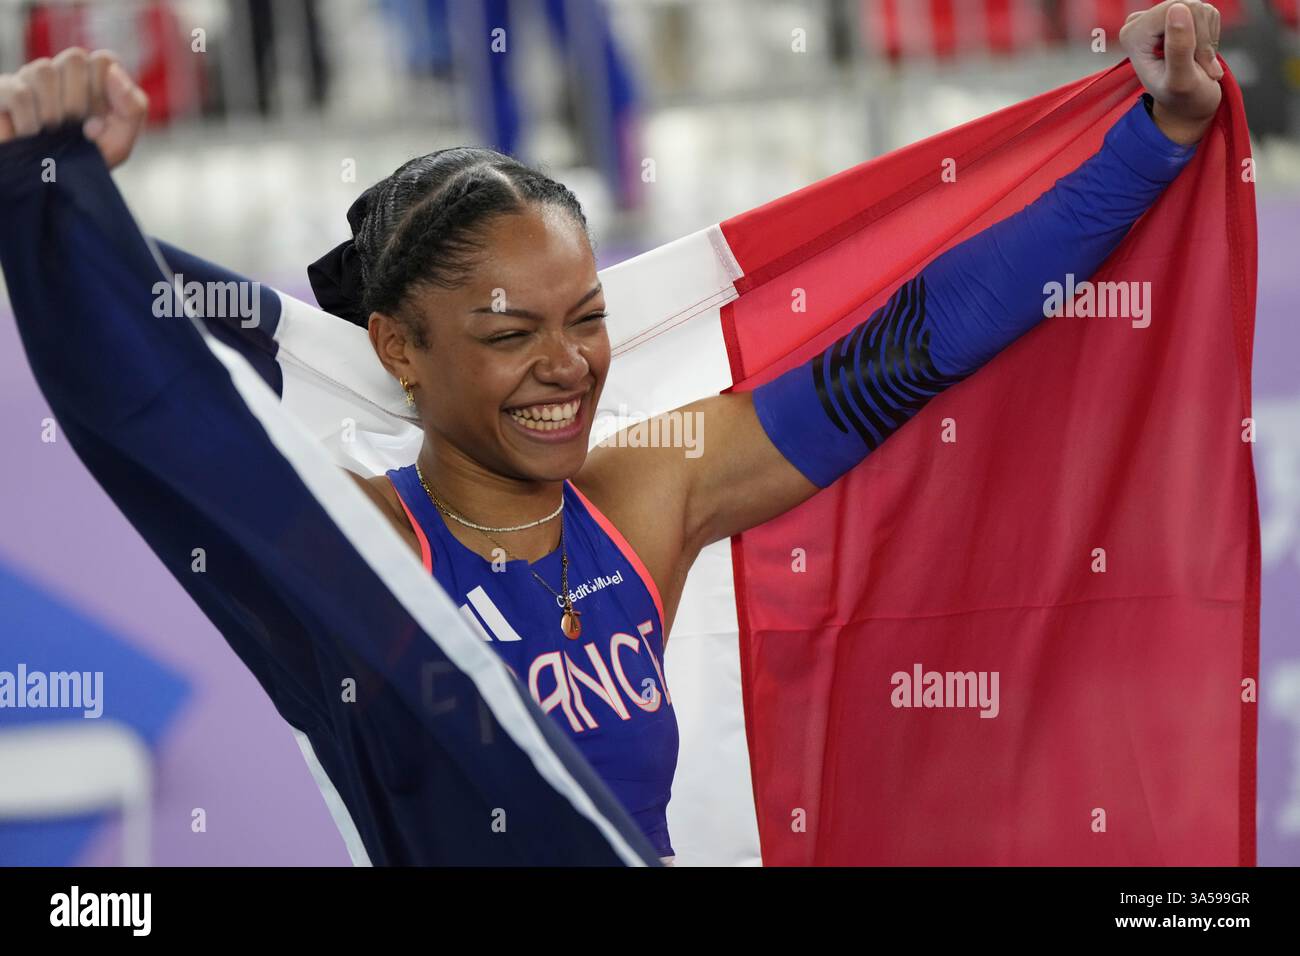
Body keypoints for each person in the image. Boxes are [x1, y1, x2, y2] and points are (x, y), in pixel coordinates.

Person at [0, 0, 1225, 865]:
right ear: (396, 349)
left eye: (585, 317)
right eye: (507, 332)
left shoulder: (648, 494)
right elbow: (155, 418)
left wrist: (1149, 142)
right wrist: (47, 198)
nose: (567, 366)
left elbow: (910, 346)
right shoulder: (364, 562)